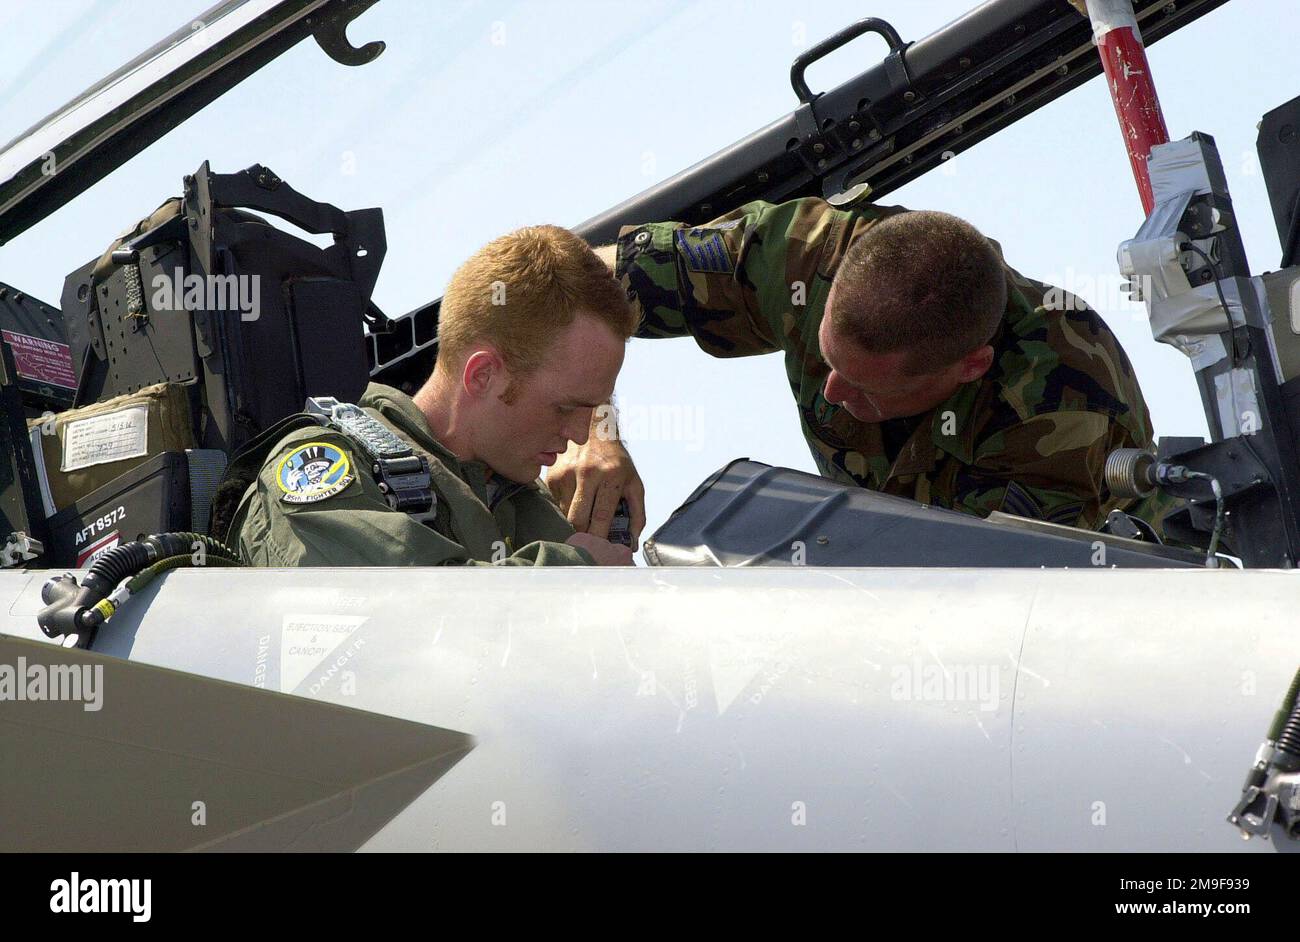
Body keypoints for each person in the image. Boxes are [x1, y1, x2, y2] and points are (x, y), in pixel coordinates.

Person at [547, 196, 1173, 541]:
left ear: (969, 366)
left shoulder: (1059, 402)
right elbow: (574, 284)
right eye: (825, 356)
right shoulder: (803, 257)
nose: (832, 389)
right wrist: (593, 426)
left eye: (866, 387)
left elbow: (994, 598)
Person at [219, 224, 637, 566]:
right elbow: (402, 627)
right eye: (565, 407)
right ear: (483, 375)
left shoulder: (530, 508)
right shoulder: (322, 468)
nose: (582, 437)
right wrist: (576, 574)